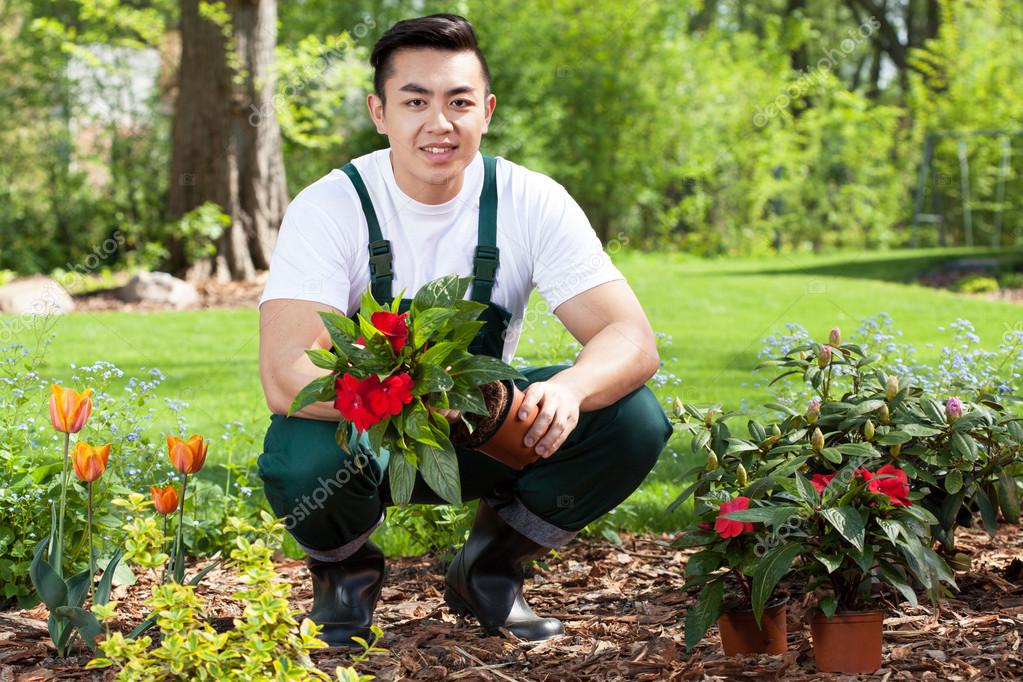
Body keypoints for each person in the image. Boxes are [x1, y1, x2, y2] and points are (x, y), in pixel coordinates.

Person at [257, 13, 672, 646]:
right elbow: (287, 374)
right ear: (379, 112)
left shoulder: (530, 200)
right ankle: (345, 584)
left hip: (483, 432)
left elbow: (631, 338)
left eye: (459, 102)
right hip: (365, 436)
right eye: (414, 102)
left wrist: (568, 390)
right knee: (300, 458)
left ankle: (489, 569)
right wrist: (414, 401)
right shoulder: (330, 206)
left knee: (631, 419)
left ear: (487, 110)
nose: (439, 123)